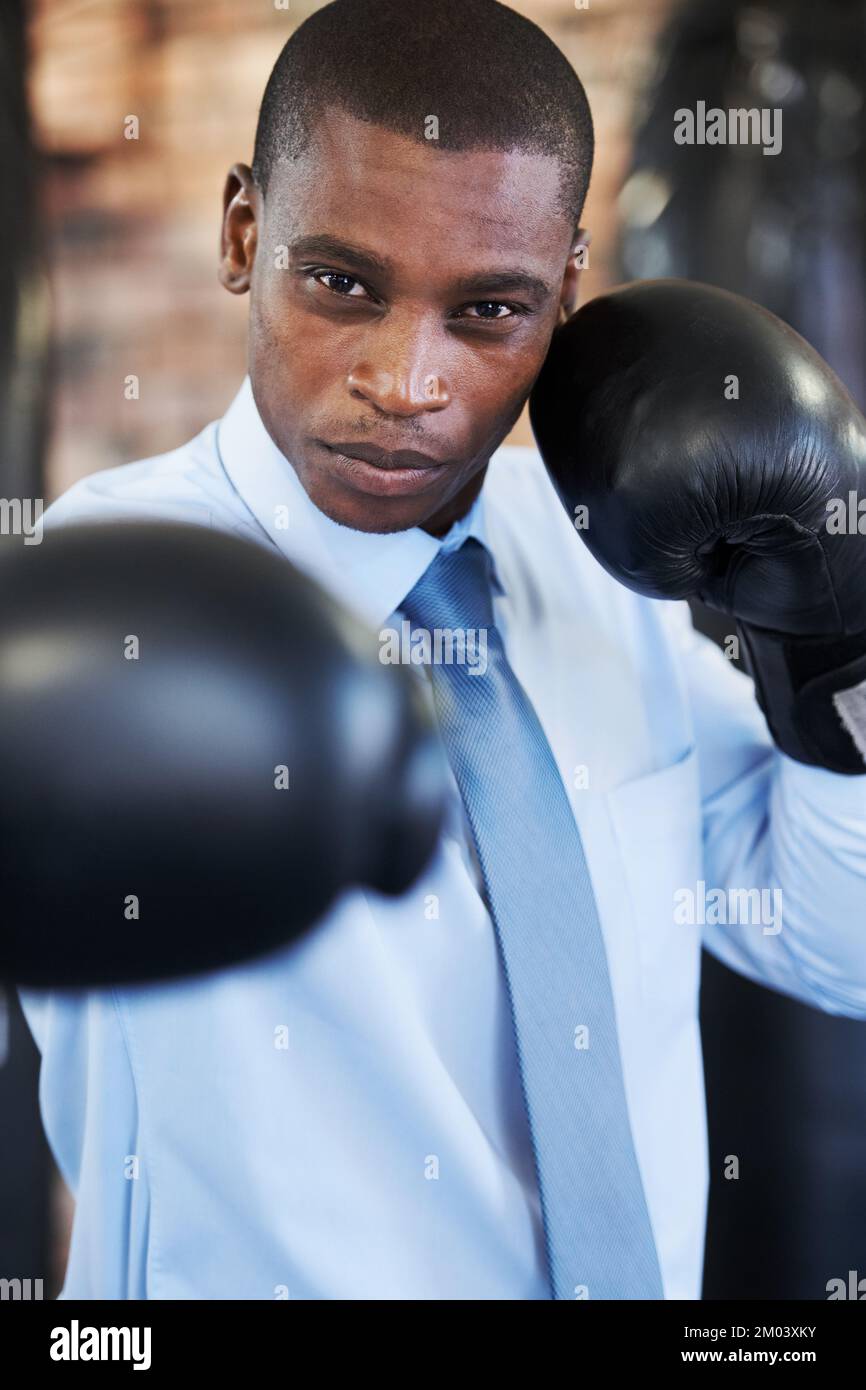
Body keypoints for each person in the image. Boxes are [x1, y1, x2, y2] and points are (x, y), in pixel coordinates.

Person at [19, 0, 866, 1300]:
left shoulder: (598, 560)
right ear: (246, 232)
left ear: (567, 289)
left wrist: (836, 645)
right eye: (343, 283)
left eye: (485, 311)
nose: (406, 380)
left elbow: (831, 945)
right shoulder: (114, 576)